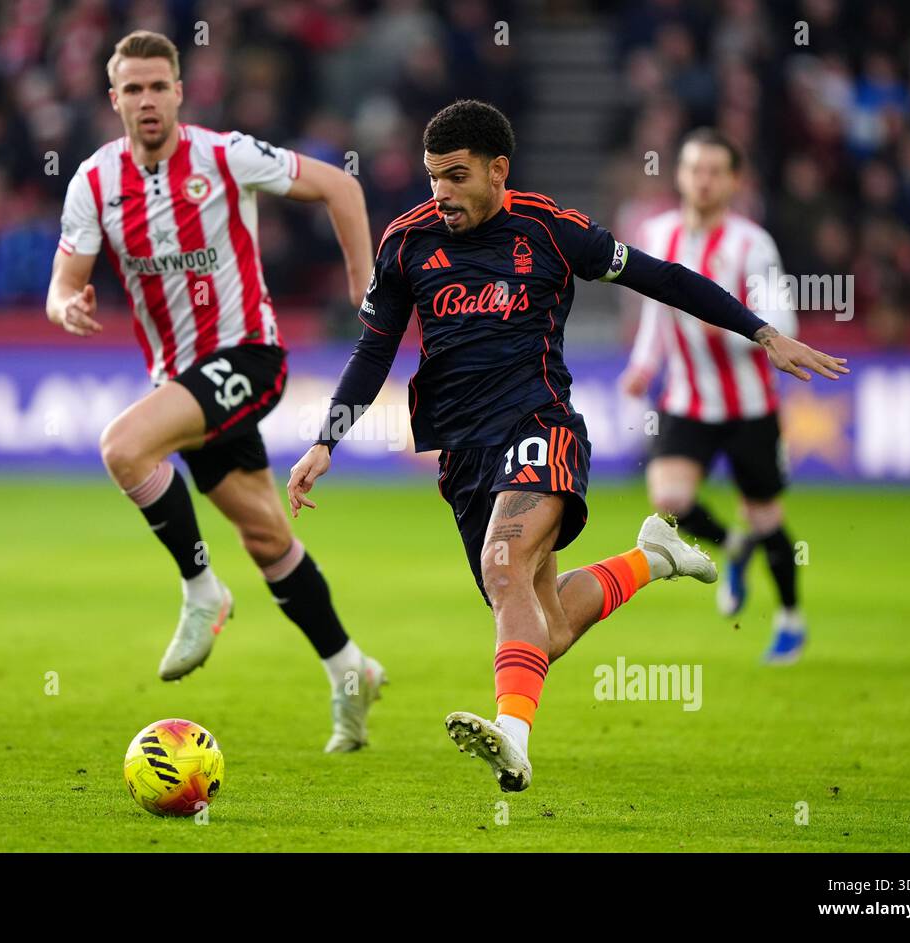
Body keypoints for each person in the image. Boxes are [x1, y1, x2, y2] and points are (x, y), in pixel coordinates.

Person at [287, 101, 848, 791]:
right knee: (539, 626)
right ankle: (651, 558)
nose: (441, 194)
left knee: (503, 567)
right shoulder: (406, 242)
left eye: (456, 177)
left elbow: (663, 279)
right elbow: (374, 350)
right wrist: (326, 441)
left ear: (498, 170)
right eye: (433, 177)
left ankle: (514, 740)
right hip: (462, 453)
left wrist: (763, 332)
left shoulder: (552, 230)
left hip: (539, 425)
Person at [45, 31, 384, 752]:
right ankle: (350, 669)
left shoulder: (225, 155)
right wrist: (64, 306)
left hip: (248, 356)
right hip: (183, 381)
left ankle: (202, 590)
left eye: (157, 86)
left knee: (124, 447)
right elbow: (62, 284)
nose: (146, 101)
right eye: (131, 89)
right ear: (114, 100)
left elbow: (341, 186)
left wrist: (364, 287)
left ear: (178, 92)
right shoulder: (94, 183)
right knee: (266, 536)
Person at [620, 128, 806, 663]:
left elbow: (782, 322)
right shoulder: (657, 233)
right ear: (679, 175)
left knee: (766, 514)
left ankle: (791, 617)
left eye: (714, 171)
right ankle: (733, 544)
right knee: (669, 498)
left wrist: (719, 324)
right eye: (693, 169)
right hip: (685, 399)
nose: (702, 181)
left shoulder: (752, 243)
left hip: (749, 405)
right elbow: (656, 307)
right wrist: (643, 364)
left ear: (734, 180)